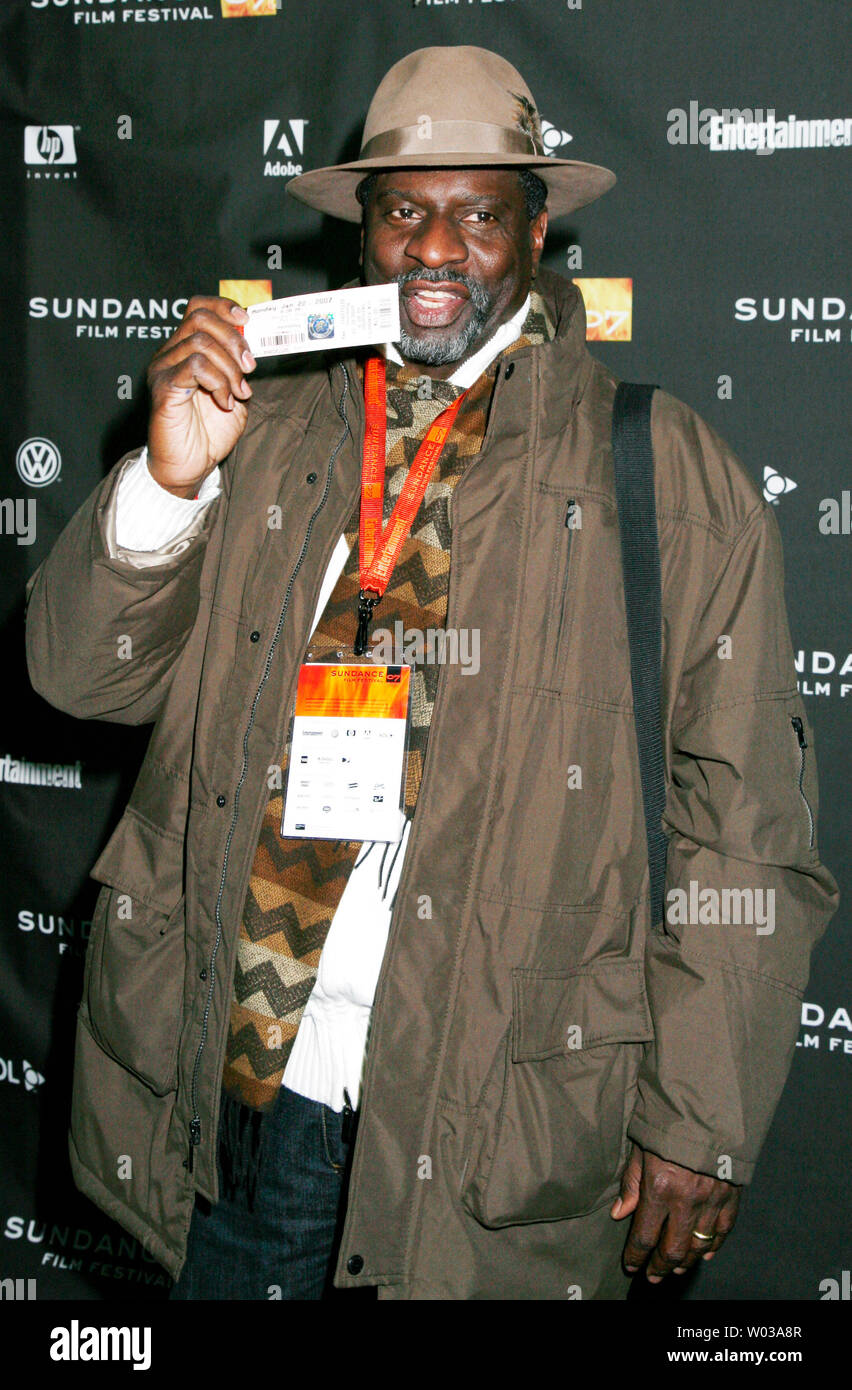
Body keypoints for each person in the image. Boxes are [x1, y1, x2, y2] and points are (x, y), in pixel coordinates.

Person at [25, 45, 838, 1301]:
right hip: (236, 1101)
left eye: (479, 211)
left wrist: (699, 1114)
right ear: (364, 232)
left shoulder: (667, 478)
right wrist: (167, 480)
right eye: (405, 211)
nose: (438, 247)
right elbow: (82, 679)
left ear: (538, 228)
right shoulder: (268, 428)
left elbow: (747, 835)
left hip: (480, 1139)